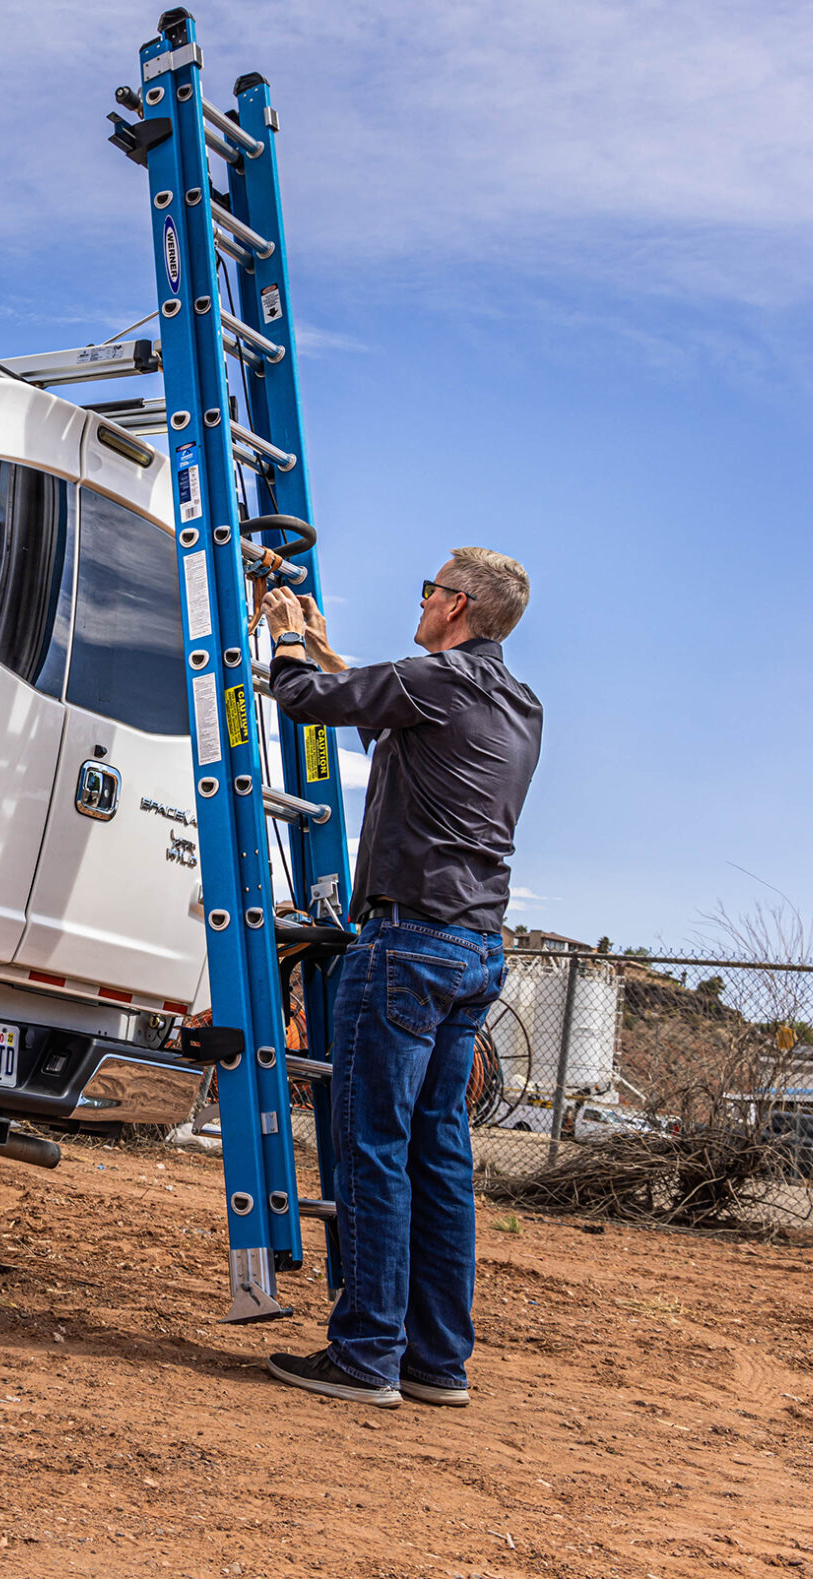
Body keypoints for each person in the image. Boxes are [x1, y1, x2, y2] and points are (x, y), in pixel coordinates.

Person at [254, 547, 543, 1410]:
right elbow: (384, 708)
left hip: (406, 945)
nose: (417, 602)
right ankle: (435, 1362)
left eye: (427, 590)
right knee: (438, 1155)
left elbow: (305, 700)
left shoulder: (436, 681)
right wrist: (328, 646)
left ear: (455, 604)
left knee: (374, 1147)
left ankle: (366, 1354)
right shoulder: (517, 701)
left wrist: (287, 638)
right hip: (474, 950)